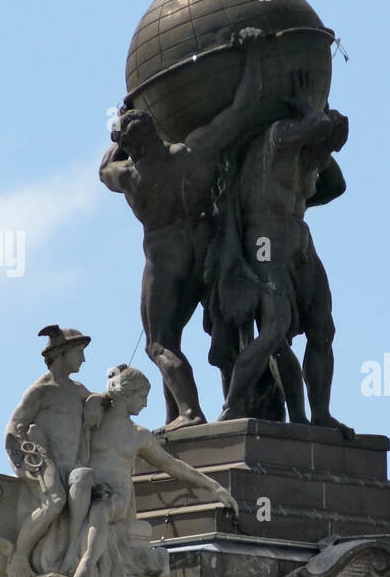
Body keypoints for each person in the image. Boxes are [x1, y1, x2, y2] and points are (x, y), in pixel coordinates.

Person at [99, 26, 279, 430]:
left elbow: (102, 167)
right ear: (159, 131)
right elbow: (243, 109)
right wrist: (252, 56)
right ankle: (179, 413)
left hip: (165, 259)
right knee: (223, 332)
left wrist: (119, 123)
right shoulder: (192, 153)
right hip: (204, 253)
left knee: (160, 343)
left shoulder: (130, 175)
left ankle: (190, 413)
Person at [210, 70, 352, 436]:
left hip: (298, 239)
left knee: (323, 329)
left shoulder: (308, 156)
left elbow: (336, 186)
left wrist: (323, 147)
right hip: (264, 241)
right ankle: (234, 404)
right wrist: (310, 106)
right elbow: (317, 125)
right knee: (275, 326)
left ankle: (320, 414)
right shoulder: (278, 135)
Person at [68, 365, 237, 577]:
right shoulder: (95, 421)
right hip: (88, 489)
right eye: (142, 397)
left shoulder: (139, 435)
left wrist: (213, 487)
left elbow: (173, 466)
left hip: (116, 497)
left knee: (102, 509)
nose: (146, 404)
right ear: (127, 394)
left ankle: (86, 565)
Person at [3, 325, 95, 577]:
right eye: (79, 353)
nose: (83, 359)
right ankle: (18, 555)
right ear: (62, 353)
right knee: (54, 502)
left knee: (85, 483)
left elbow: (102, 400)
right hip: (45, 462)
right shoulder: (41, 390)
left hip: (72, 464)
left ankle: (72, 556)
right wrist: (26, 468)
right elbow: (13, 430)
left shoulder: (76, 389)